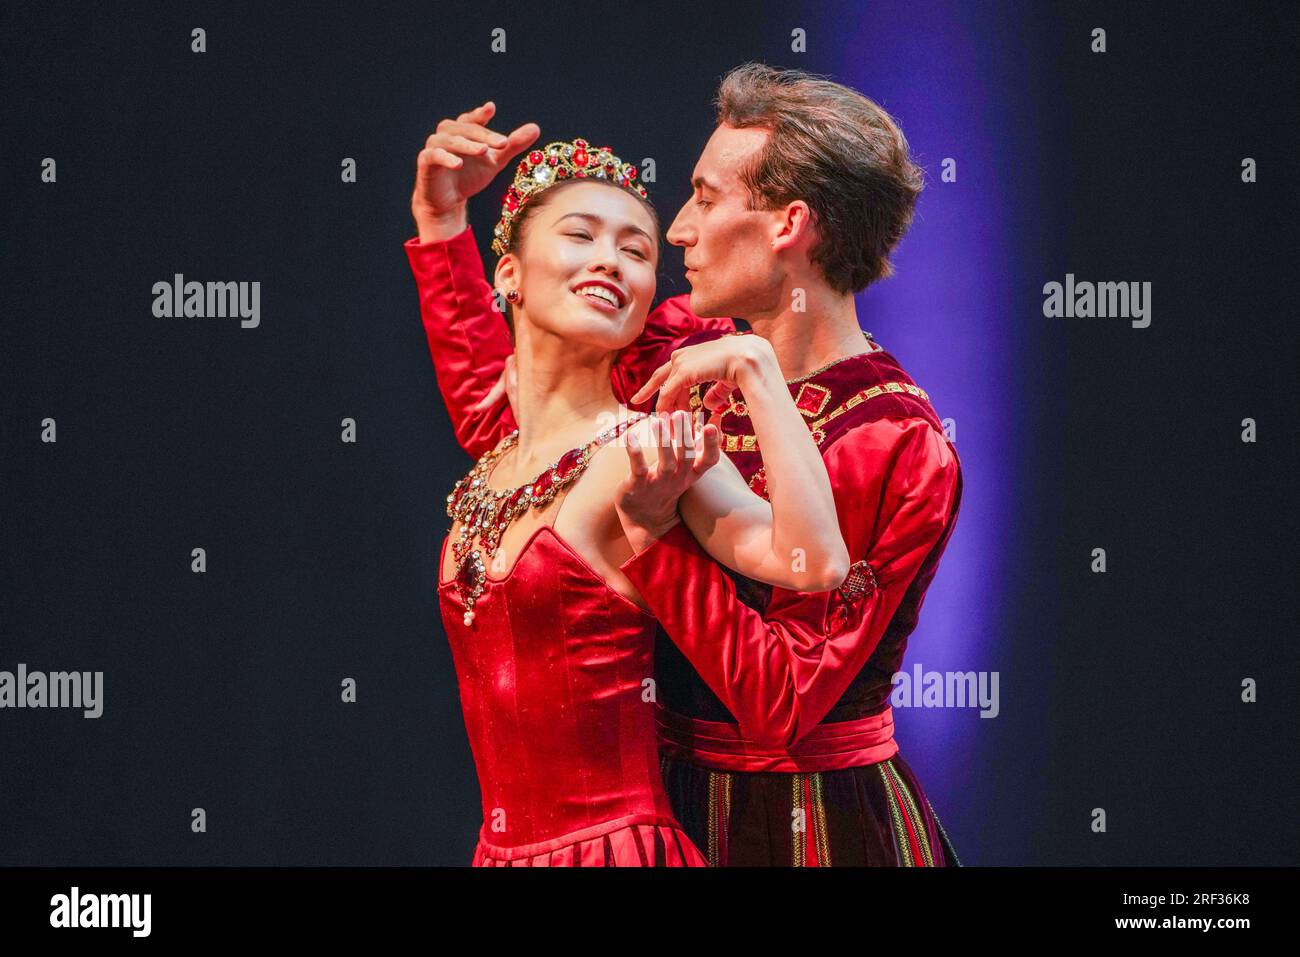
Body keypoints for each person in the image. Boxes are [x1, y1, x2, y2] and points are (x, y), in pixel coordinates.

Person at [407, 62, 964, 866]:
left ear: (788, 224)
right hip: (654, 808)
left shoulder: (896, 442)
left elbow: (778, 702)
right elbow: (515, 429)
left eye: (705, 198)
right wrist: (441, 226)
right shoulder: (678, 343)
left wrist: (643, 533)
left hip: (809, 827)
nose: (677, 232)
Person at [425, 134, 850, 866]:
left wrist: (757, 368)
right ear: (510, 274)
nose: (609, 262)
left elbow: (813, 563)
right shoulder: (497, 461)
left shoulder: (647, 450)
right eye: (581, 235)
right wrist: (439, 218)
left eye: (636, 252)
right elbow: (476, 384)